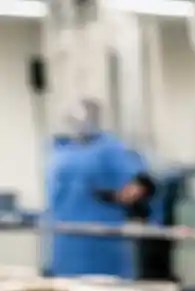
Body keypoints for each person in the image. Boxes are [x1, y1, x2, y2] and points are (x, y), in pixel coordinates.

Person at [48, 99, 154, 279]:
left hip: (100, 242)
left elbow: (137, 188)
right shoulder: (60, 149)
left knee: (103, 287)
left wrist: (110, 195)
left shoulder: (110, 148)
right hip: (65, 240)